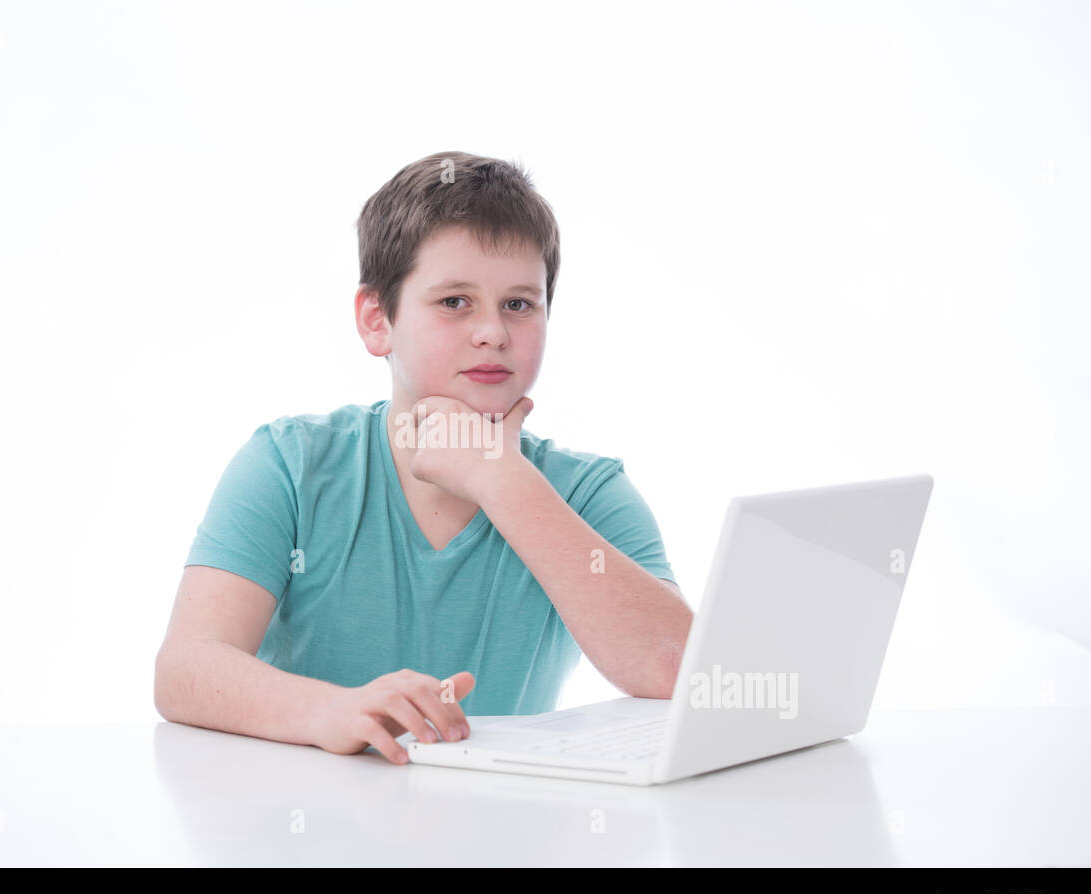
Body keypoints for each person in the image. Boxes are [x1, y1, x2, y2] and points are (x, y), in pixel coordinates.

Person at [154, 150, 694, 765]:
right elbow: (186, 669)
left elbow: (682, 672)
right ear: (377, 319)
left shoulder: (587, 493)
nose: (492, 331)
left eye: (519, 303)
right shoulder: (289, 466)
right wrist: (331, 709)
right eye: (455, 302)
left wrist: (502, 480)